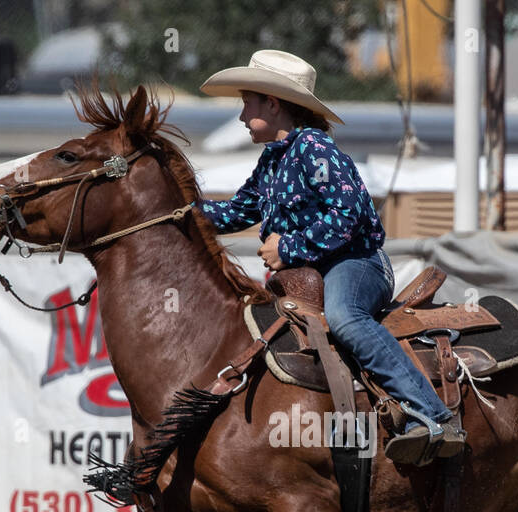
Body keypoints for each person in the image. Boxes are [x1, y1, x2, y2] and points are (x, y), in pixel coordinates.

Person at [196, 49, 465, 464]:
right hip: (313, 273)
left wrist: (286, 247)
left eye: (248, 102)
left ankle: (431, 416)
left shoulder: (314, 149)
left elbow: (349, 215)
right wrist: (177, 207)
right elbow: (234, 212)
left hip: (357, 265)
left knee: (345, 317)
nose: (241, 116)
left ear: (273, 102)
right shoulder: (273, 160)